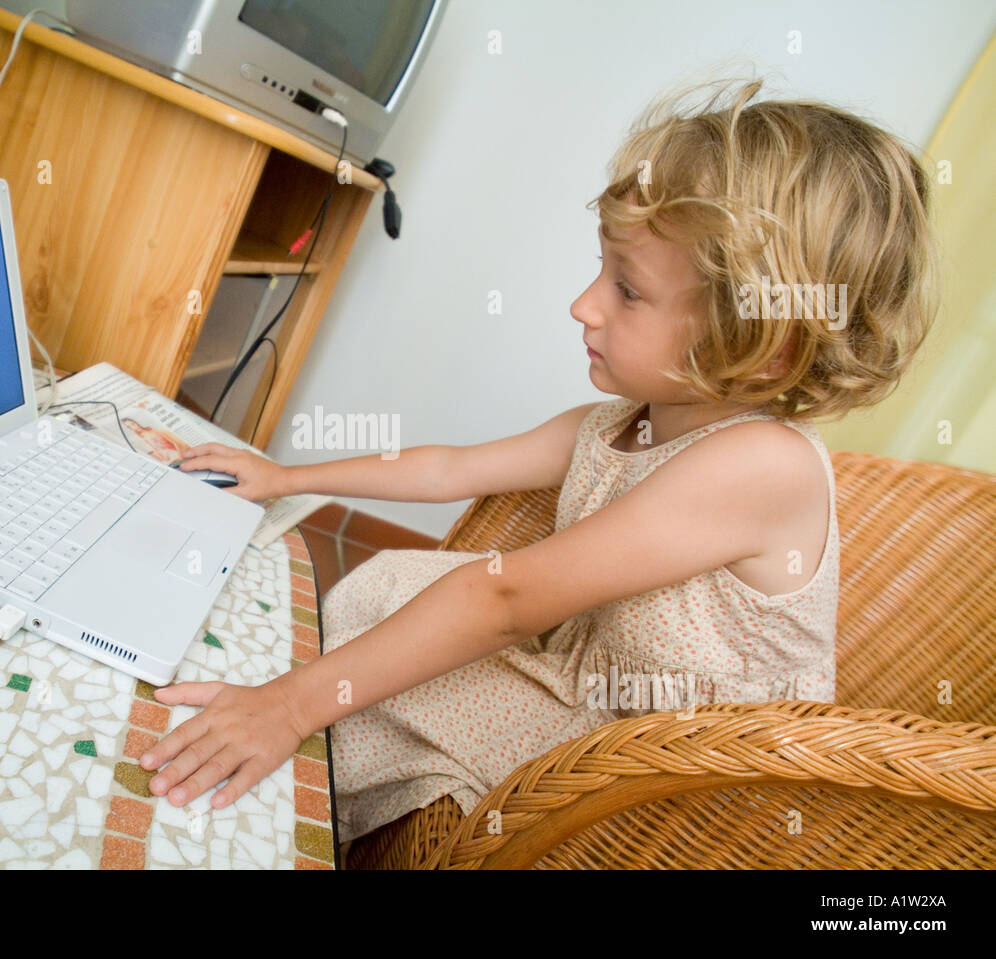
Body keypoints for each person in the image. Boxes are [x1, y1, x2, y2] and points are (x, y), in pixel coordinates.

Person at [136, 77, 941, 851]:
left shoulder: (767, 466)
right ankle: (256, 752)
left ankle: (250, 801)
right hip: (590, 692)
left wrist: (291, 705)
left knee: (370, 698)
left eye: (627, 291)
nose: (584, 304)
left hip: (673, 779)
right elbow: (449, 468)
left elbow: (507, 597)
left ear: (768, 346)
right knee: (386, 591)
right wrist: (286, 478)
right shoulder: (621, 424)